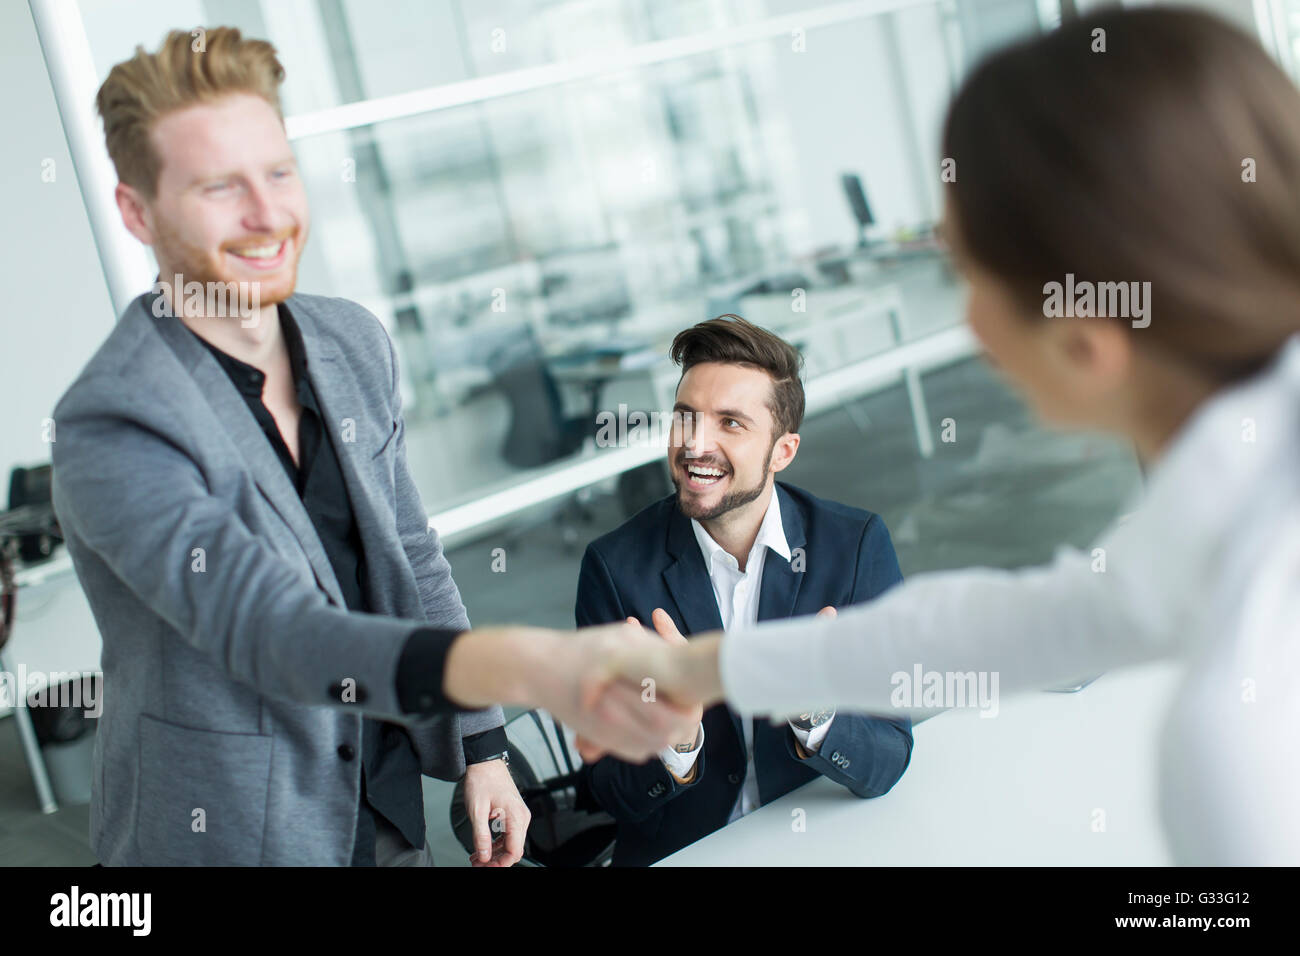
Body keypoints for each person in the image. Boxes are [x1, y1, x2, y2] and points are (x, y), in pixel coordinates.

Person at [578, 7, 1300, 865]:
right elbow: (1025, 622)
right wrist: (723, 673)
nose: (969, 327)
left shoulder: (1230, 739)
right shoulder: (1228, 484)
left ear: (1085, 332)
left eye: (972, 273)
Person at [51, 27, 694, 867]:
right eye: (220, 187)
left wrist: (482, 747)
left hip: (382, 804)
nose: (267, 212)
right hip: (227, 827)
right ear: (137, 211)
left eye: (278, 172)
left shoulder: (349, 342)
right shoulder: (114, 423)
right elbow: (273, 632)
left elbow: (410, 556)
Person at [574, 316, 913, 865]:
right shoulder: (614, 569)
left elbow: (888, 758)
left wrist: (818, 716)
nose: (695, 444)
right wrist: (676, 745)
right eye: (685, 418)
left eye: (730, 423)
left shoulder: (852, 548)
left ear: (782, 451)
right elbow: (607, 790)